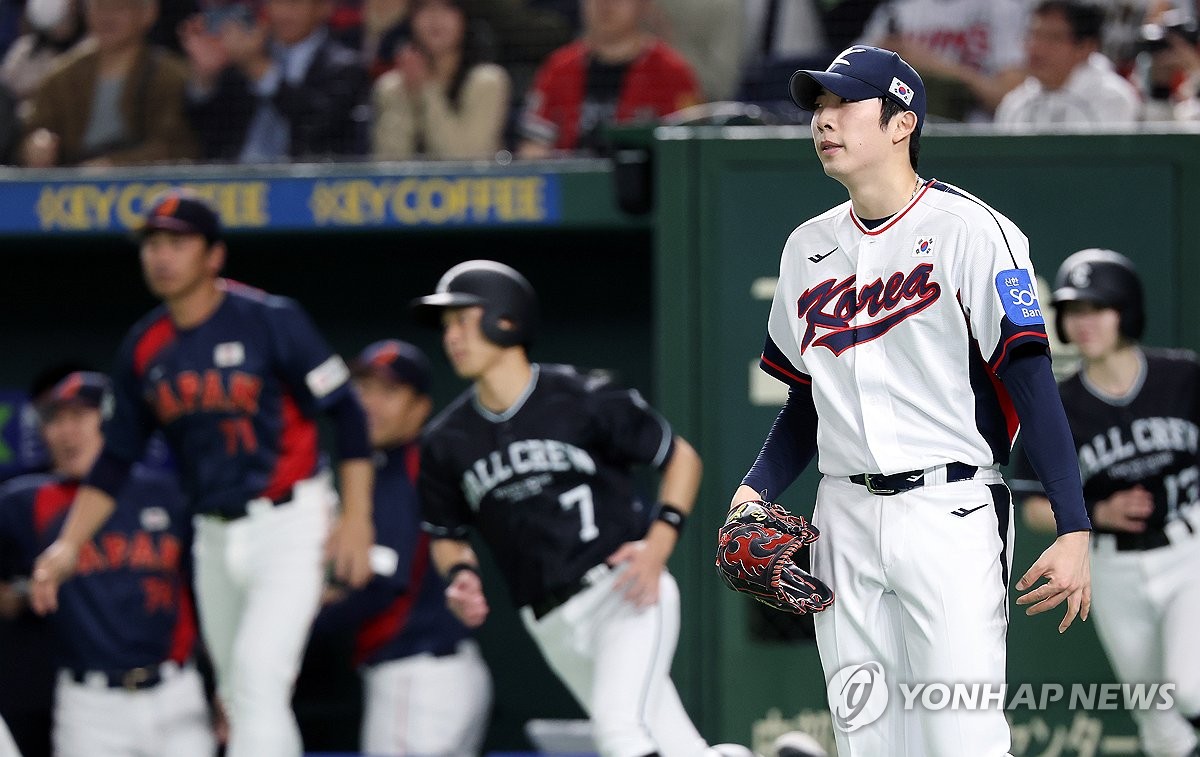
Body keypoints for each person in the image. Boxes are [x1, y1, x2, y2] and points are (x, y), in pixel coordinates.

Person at [738, 46, 1092, 756]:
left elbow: (1029, 378)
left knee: (961, 738)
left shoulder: (972, 231)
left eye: (844, 103)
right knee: (866, 739)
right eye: (818, 107)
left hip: (950, 510)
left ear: (902, 122)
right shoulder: (807, 247)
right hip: (842, 514)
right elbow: (809, 401)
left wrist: (1075, 526)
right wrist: (754, 489)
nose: (824, 120)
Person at [26, 191, 375, 757]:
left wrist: (357, 516)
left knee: (260, 680)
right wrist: (68, 546)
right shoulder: (144, 346)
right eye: (152, 244)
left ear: (214, 255)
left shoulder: (270, 320)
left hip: (288, 521)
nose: (160, 256)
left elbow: (349, 414)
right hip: (213, 533)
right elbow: (116, 460)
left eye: (177, 242)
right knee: (238, 694)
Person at [410, 260, 753, 757]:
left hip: (621, 593)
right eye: (446, 327)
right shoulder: (446, 440)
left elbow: (682, 459)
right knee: (680, 748)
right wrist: (459, 572)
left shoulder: (583, 396)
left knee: (619, 734)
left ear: (506, 318)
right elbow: (446, 531)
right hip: (547, 619)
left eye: (463, 319)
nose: (453, 337)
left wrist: (658, 545)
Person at [1012, 249, 1200, 757]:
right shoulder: (1057, 408)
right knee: (1158, 721)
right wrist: (1099, 514)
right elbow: (1032, 507)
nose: (1084, 321)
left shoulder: (1183, 378)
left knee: (1190, 686)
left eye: (1098, 307)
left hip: (1190, 551)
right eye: (1074, 310)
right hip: (1113, 566)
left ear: (1126, 311)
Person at [0, 371, 215, 757]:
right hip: (89, 705)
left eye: (79, 417)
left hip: (176, 690)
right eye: (54, 420)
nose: (66, 432)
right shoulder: (26, 501)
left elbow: (212, 595)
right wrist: (15, 592)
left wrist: (227, 690)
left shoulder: (169, 493)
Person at [314, 338, 492, 756]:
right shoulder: (399, 467)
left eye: (389, 391)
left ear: (421, 408)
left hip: (417, 679)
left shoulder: (405, 472)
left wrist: (300, 620)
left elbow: (382, 584)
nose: (370, 403)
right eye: (363, 387)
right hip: (441, 674)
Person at [180, 0, 370, 162]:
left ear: (323, 8)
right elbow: (207, 129)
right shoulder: (243, 55)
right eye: (277, 2)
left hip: (303, 188)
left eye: (294, 3)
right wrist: (205, 77)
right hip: (234, 185)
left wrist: (261, 71)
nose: (283, 13)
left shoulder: (344, 66)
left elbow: (317, 123)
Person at [19, 0, 197, 167]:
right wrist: (35, 145)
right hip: (70, 187)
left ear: (147, 13)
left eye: (119, 7)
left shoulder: (170, 75)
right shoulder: (61, 76)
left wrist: (114, 165)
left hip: (142, 187)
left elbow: (176, 146)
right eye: (99, 6)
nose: (107, 17)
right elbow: (33, 129)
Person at [517, 0, 701, 157]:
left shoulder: (672, 72)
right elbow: (533, 146)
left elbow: (686, 149)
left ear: (643, 5)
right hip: (572, 187)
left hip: (641, 189)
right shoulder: (559, 67)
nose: (605, 5)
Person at [371, 0, 510, 160]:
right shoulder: (392, 86)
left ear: (464, 17)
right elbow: (389, 163)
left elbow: (466, 160)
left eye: (447, 8)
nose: (436, 19)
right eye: (425, 8)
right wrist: (407, 93)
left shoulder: (487, 81)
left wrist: (427, 90)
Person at [857, 0, 1027, 121]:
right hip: (907, 136)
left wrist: (939, 67)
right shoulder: (895, 10)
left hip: (976, 135)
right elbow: (853, 79)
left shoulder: (1000, 8)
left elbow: (1011, 100)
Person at [995, 0, 1142, 127]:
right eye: (1033, 35)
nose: (1035, 47)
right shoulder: (1015, 103)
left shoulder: (1112, 100)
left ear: (1087, 47)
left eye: (1053, 38)